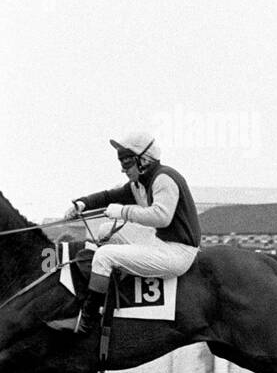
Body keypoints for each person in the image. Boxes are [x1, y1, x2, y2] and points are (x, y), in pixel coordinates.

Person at [59, 131, 201, 335]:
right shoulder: (139, 184)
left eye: (126, 163)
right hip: (160, 242)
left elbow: (162, 217)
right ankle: (104, 284)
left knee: (104, 256)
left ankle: (87, 321)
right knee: (105, 230)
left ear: (143, 160)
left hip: (178, 253)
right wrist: (82, 203)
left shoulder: (164, 179)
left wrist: (123, 211)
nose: (122, 169)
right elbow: (110, 195)